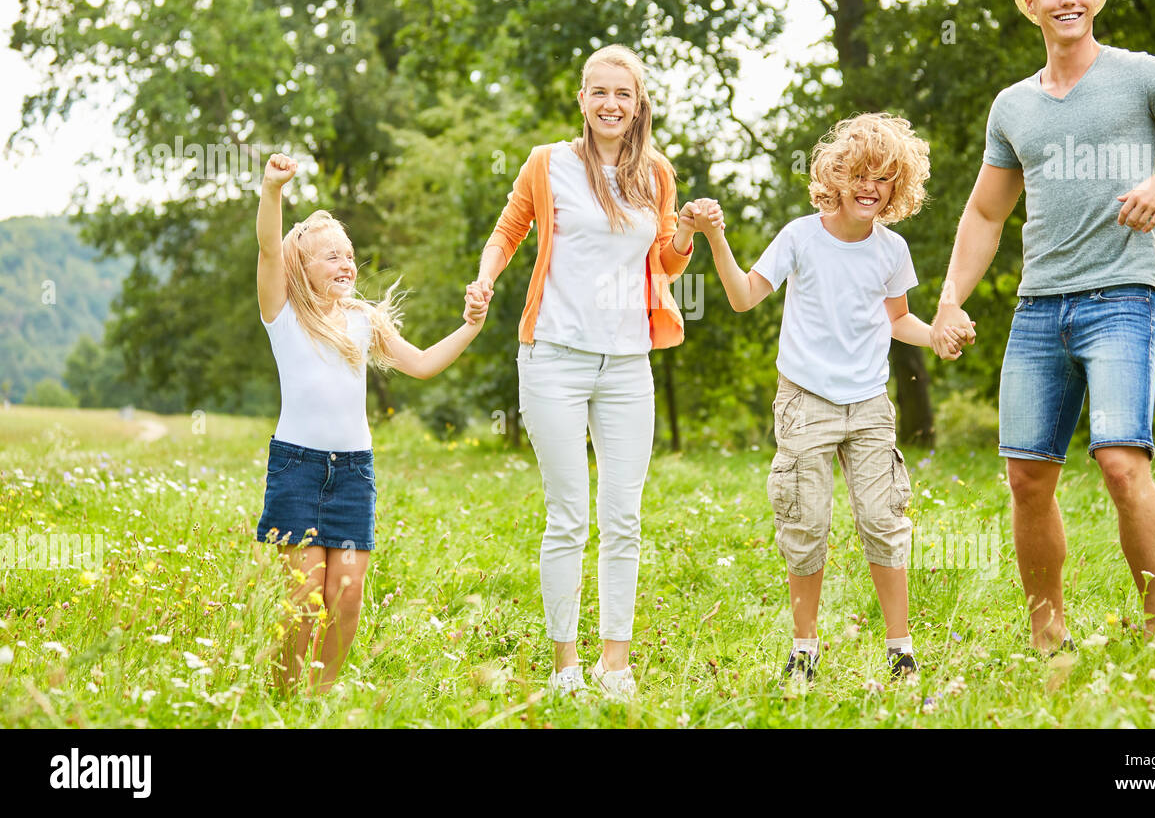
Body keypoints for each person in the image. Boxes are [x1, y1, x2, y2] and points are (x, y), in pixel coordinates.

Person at [930, 0, 1155, 650]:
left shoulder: (1142, 76)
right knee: (1025, 477)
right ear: (1030, 5)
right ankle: (1048, 636)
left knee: (1119, 461)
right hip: (1040, 309)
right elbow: (986, 213)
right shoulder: (1012, 106)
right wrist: (950, 298)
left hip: (1123, 300)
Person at [464, 45, 713, 699]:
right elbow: (508, 229)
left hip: (628, 363)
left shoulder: (655, 173)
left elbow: (665, 262)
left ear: (638, 107)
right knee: (569, 515)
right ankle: (565, 668)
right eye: (598, 92)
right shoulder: (549, 165)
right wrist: (485, 280)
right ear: (581, 100)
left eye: (622, 95)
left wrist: (686, 232)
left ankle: (616, 666)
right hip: (553, 357)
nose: (610, 104)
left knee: (624, 516)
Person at [698, 112, 961, 687]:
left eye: (885, 177)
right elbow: (744, 298)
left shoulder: (892, 250)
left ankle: (901, 650)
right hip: (805, 400)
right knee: (805, 519)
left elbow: (900, 322)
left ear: (899, 188)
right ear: (835, 177)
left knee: (883, 517)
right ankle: (804, 648)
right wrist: (715, 236)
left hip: (868, 404)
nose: (870, 186)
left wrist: (937, 334)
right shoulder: (799, 236)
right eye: (860, 173)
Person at [255, 152, 485, 693]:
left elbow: (423, 364)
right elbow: (268, 245)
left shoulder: (363, 320)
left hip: (353, 474)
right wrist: (272, 190)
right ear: (300, 266)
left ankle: (319, 696)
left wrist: (470, 327)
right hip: (298, 468)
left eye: (350, 255)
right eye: (331, 255)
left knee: (347, 594)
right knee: (305, 599)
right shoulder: (282, 313)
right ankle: (286, 697)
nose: (346, 263)